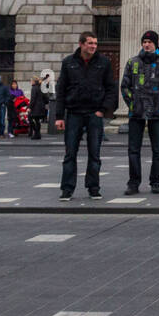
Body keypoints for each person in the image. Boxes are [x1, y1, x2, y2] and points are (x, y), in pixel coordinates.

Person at [54, 32, 119, 200]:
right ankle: (67, 189)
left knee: (95, 154)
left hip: (94, 113)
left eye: (95, 43)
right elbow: (61, 91)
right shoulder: (68, 63)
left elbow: (111, 88)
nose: (93, 46)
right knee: (70, 154)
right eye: (90, 43)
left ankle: (93, 187)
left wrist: (103, 110)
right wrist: (59, 116)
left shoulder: (103, 63)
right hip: (74, 113)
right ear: (81, 44)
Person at [121, 31, 159, 194]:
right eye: (144, 41)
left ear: (156, 44)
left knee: (157, 149)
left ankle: (155, 182)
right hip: (136, 113)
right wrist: (133, 104)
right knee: (133, 149)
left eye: (150, 42)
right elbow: (125, 86)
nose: (146, 44)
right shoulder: (133, 62)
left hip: (156, 113)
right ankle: (133, 183)